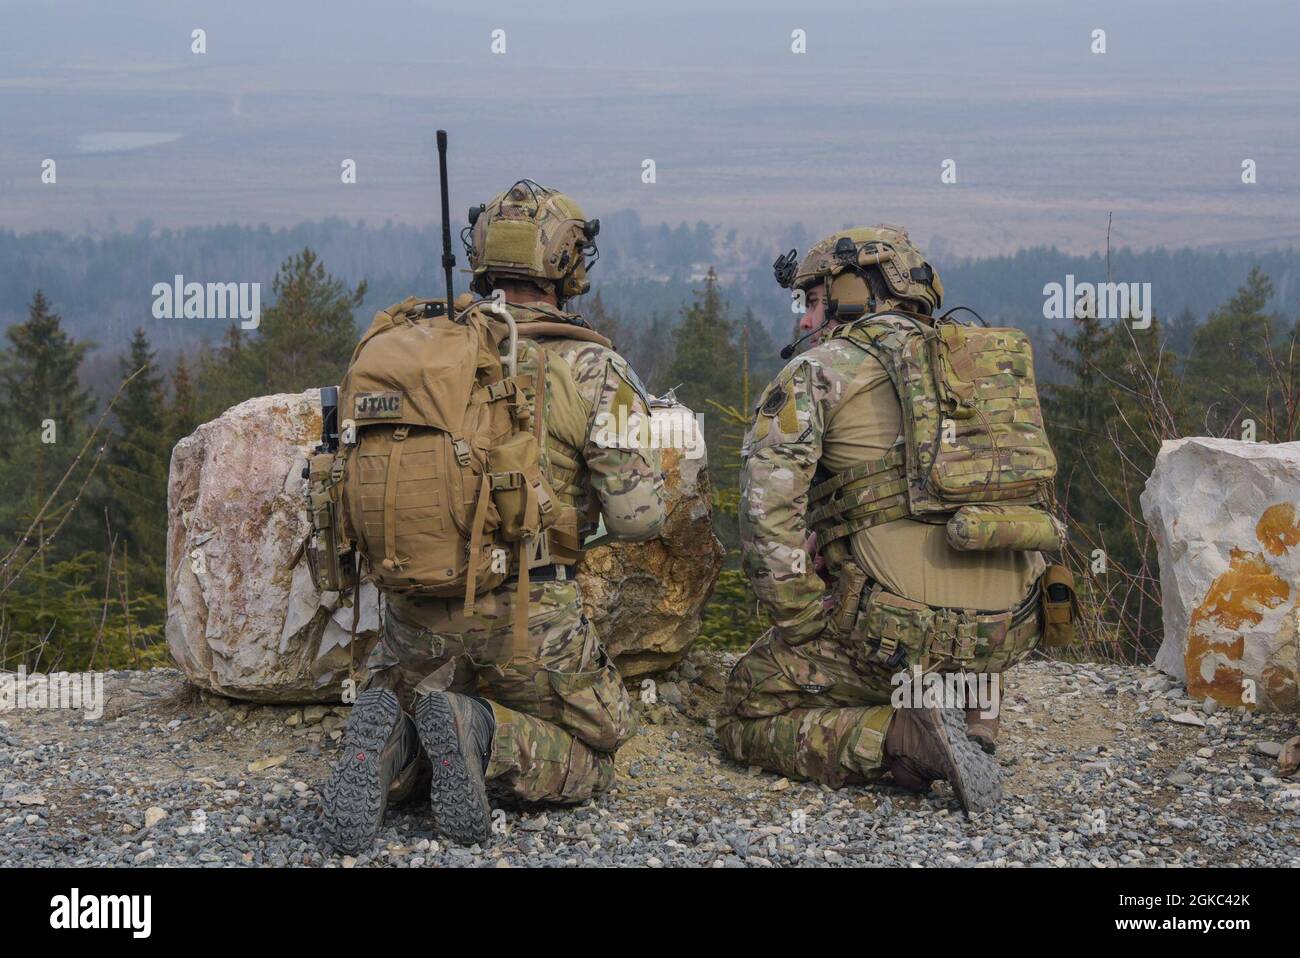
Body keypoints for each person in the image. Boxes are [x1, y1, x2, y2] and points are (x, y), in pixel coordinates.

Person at [324, 180, 665, 850]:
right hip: (530, 623)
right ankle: (480, 732)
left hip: (414, 620)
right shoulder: (598, 368)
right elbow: (639, 516)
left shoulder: (419, 351)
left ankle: (395, 746)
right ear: (568, 263)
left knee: (407, 701)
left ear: (480, 259)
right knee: (590, 757)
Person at [717, 225, 1065, 814]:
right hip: (1010, 629)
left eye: (812, 302)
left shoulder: (821, 371)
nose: (804, 321)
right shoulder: (980, 371)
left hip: (894, 637)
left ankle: (904, 736)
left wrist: (801, 616)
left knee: (744, 708)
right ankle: (974, 696)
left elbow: (764, 517)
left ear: (854, 293)